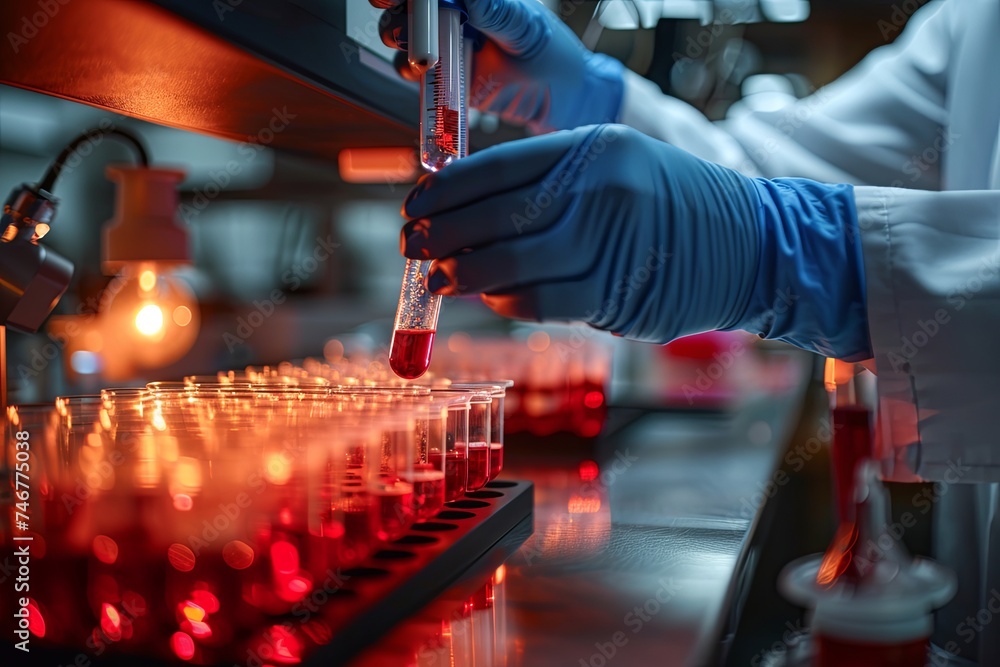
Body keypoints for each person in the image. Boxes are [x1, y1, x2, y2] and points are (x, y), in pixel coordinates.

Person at [371, 0, 1000, 662]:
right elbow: (762, 169)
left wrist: (800, 252)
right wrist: (589, 95)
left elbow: (765, 213)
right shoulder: (974, 21)